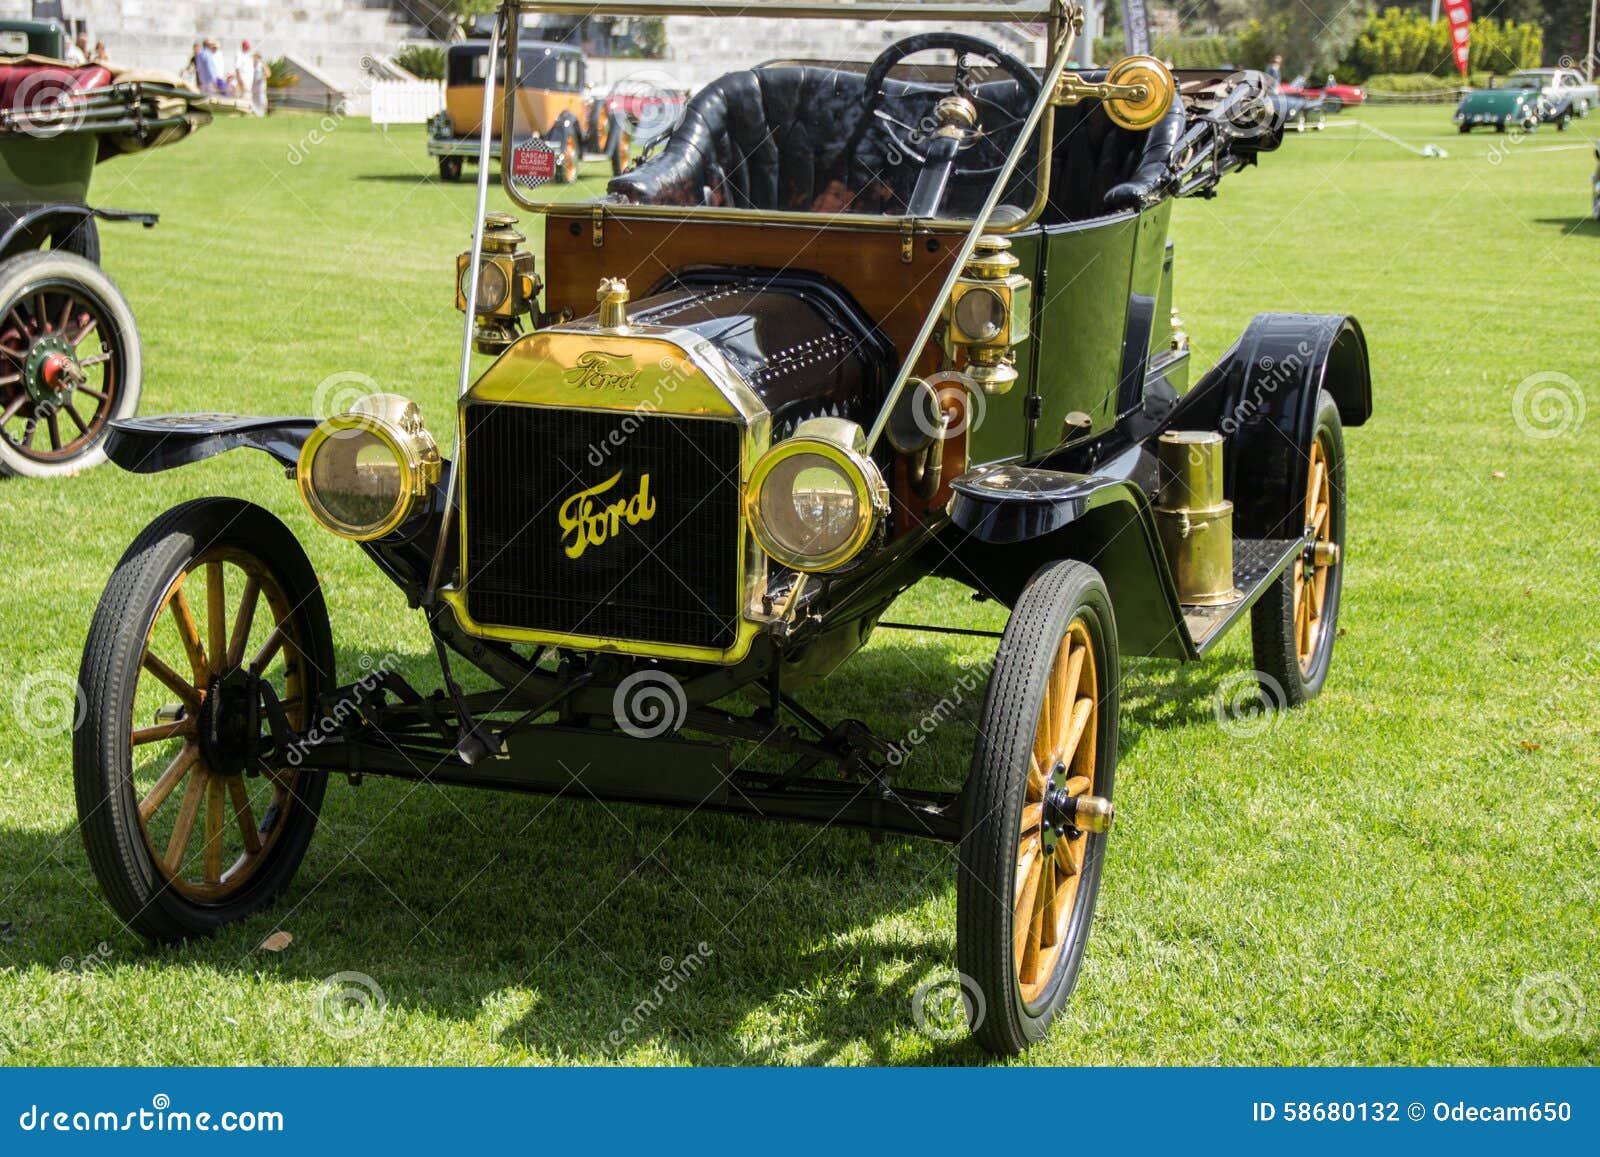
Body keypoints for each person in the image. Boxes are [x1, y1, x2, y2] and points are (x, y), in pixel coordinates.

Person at [251, 51, 269, 116]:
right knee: (254, 99)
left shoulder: (262, 64)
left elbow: (268, 74)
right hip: (254, 86)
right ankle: (256, 113)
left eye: (255, 57)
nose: (254, 58)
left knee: (262, 99)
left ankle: (263, 113)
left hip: (261, 85)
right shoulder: (253, 65)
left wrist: (261, 78)